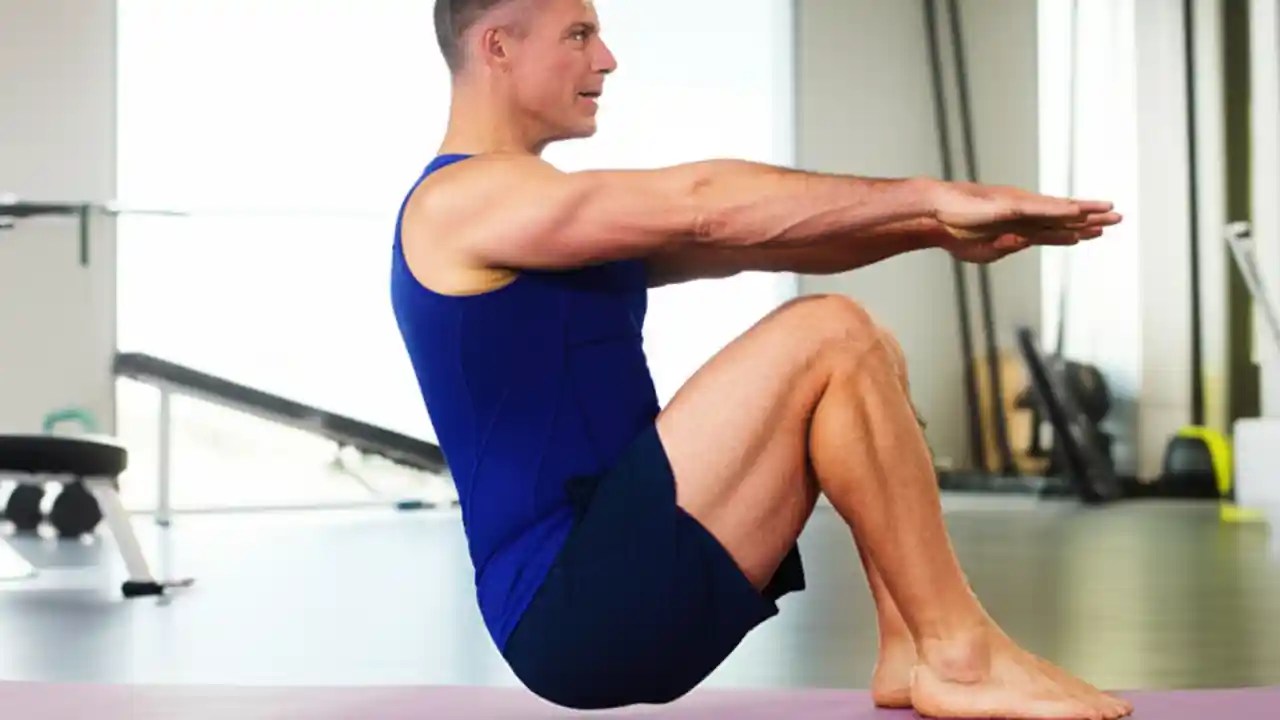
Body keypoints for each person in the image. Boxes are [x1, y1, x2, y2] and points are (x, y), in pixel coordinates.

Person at [390, 1, 1132, 718]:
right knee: (831, 334)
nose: (606, 59)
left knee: (868, 357)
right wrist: (935, 194)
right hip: (567, 601)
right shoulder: (460, 201)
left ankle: (912, 652)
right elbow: (705, 202)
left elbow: (758, 241)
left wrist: (931, 228)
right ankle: (961, 654)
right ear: (497, 47)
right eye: (579, 35)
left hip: (624, 565)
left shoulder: (533, 212)